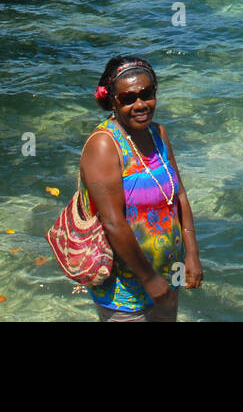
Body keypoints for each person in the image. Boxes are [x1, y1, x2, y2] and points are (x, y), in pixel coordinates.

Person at [79, 54, 203, 321]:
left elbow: (179, 195)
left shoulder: (158, 134)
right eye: (128, 98)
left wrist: (192, 254)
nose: (140, 104)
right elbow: (113, 223)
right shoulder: (104, 145)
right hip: (126, 288)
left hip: (168, 273)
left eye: (146, 94)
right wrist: (149, 280)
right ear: (112, 100)